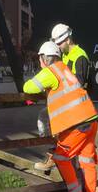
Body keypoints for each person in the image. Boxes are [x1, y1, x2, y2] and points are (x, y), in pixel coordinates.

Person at [23, 40, 98, 192]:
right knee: (87, 161)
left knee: (60, 157)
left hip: (76, 125)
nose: (40, 62)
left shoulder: (51, 72)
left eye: (40, 59)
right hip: (91, 119)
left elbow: (28, 87)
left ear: (44, 58)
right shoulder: (65, 69)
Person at [34, 23, 91, 172]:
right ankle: (54, 155)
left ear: (68, 39)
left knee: (47, 120)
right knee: (45, 118)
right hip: (66, 105)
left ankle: (55, 157)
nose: (58, 46)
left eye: (59, 43)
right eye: (56, 44)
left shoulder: (80, 57)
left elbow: (78, 84)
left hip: (76, 108)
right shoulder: (63, 56)